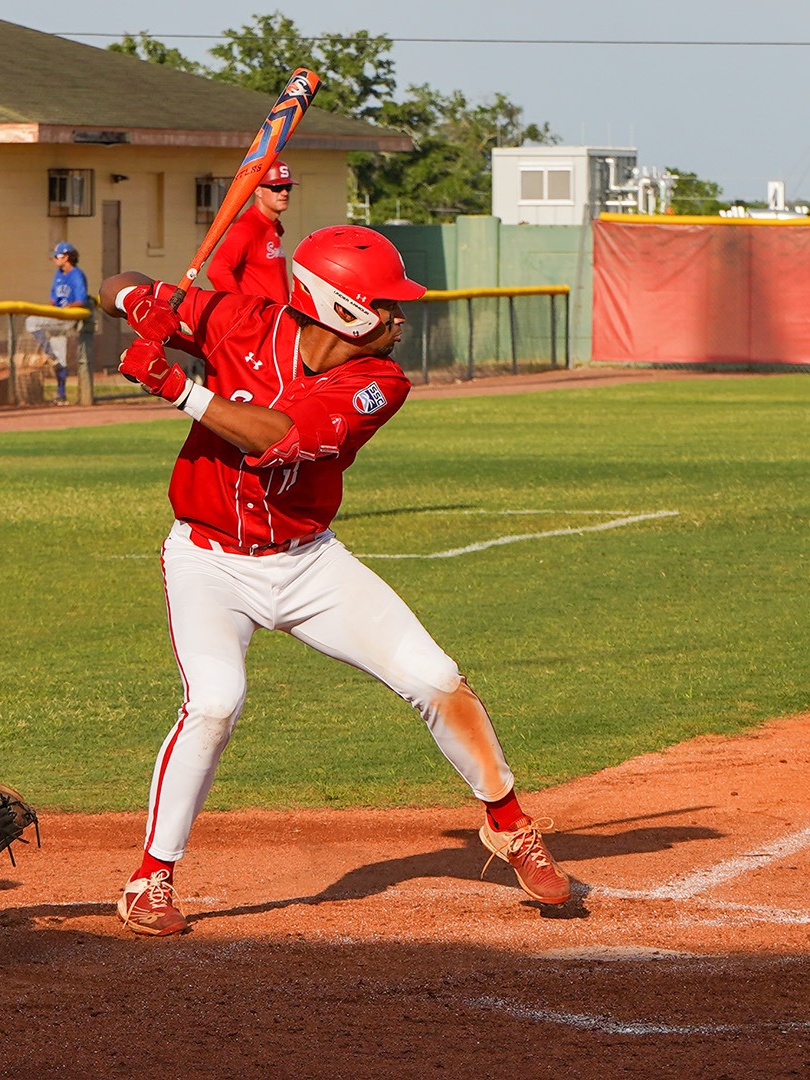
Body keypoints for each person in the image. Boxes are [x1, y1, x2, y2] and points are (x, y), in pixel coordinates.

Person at [98, 225, 568, 937]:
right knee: (216, 703)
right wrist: (141, 306)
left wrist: (174, 385)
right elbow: (115, 283)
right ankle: (149, 880)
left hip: (309, 562)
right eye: (386, 304)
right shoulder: (236, 320)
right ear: (342, 305)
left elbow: (274, 435)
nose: (399, 318)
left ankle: (509, 825)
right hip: (209, 561)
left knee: (435, 676)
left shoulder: (379, 382)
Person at [206, 159, 294, 303]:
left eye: (287, 187)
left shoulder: (271, 225)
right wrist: (242, 308)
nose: (284, 193)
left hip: (276, 319)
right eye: (277, 187)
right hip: (260, 322)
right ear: (257, 189)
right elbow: (217, 270)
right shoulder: (247, 227)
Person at [28, 243, 88, 404]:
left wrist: (67, 309)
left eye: (57, 256)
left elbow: (80, 300)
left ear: (66, 257)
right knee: (61, 359)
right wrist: (48, 311)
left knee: (31, 322)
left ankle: (49, 354)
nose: (54, 260)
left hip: (68, 317)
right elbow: (53, 300)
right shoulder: (58, 274)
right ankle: (61, 395)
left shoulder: (76, 274)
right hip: (57, 318)